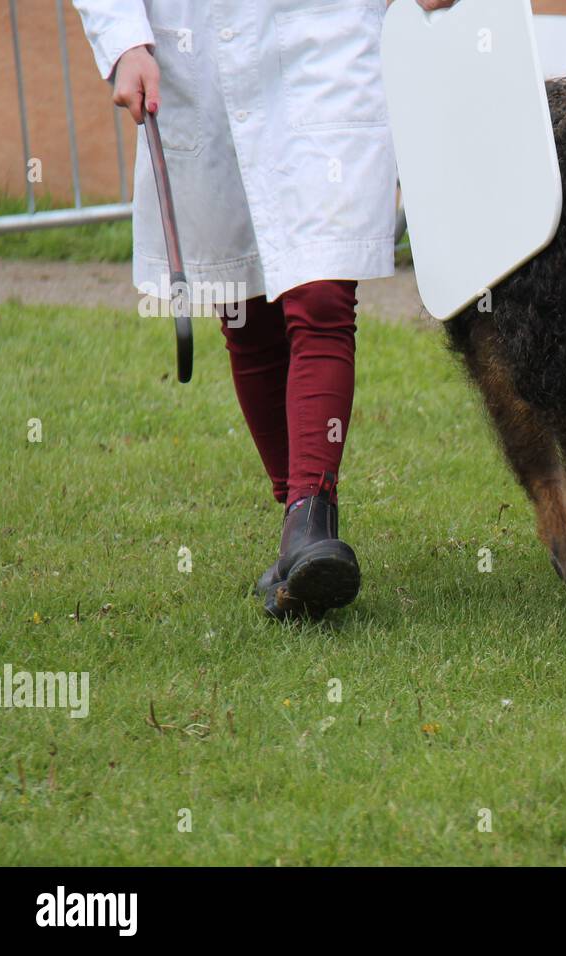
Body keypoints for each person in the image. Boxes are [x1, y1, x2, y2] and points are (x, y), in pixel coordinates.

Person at [73, 0, 457, 619]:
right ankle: (300, 540)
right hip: (198, 56)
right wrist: (124, 42)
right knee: (246, 312)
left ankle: (311, 516)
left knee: (323, 297)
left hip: (326, 40)